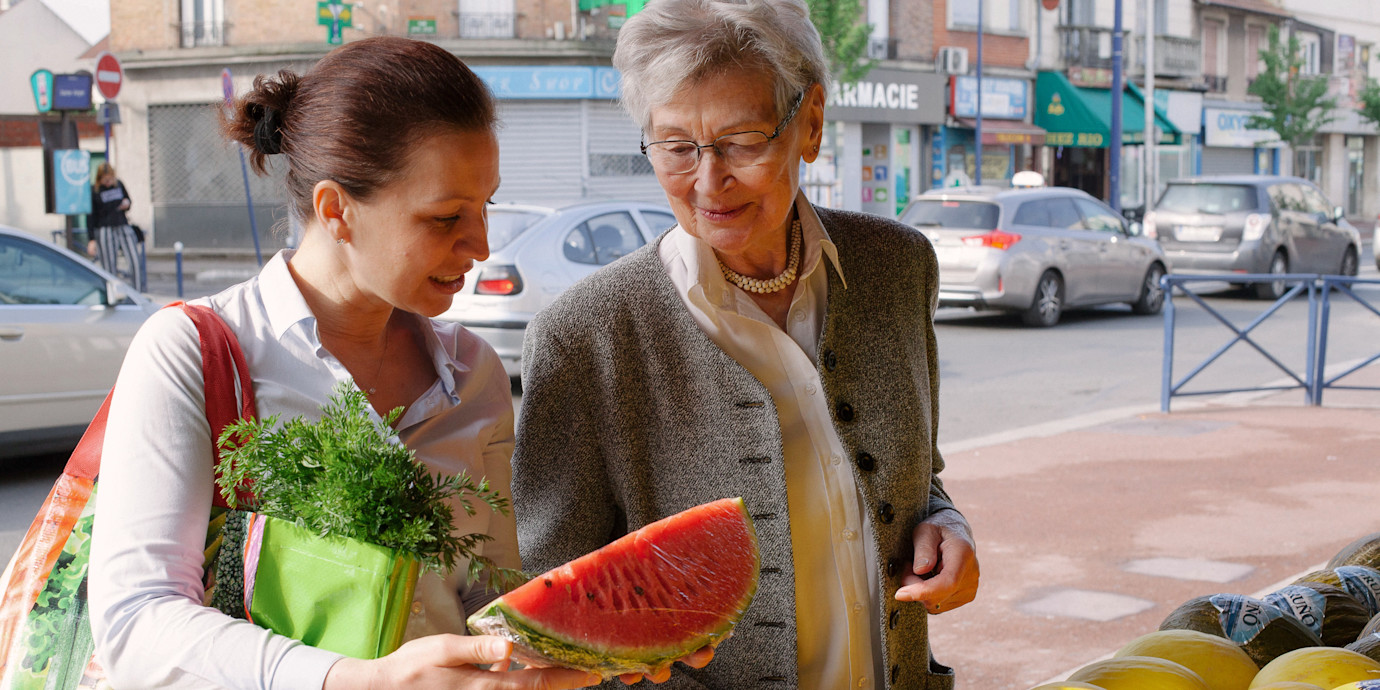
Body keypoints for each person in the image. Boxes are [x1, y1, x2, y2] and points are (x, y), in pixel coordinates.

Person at [88, 37, 601, 690]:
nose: (481, 244)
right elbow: (136, 620)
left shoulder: (474, 373)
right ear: (336, 210)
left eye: (485, 205)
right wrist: (351, 678)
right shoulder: (194, 352)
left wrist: (594, 646)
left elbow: (488, 603)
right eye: (446, 216)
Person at [510, 1, 980, 688]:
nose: (707, 180)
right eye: (676, 147)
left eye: (741, 141)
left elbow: (921, 481)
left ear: (811, 123)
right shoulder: (587, 336)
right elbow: (558, 616)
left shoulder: (898, 268)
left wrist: (949, 527)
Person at [88, 162, 144, 289]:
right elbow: (91, 216)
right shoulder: (95, 190)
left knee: (134, 260)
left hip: (122, 225)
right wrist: (91, 239)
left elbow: (128, 201)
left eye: (110, 179)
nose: (108, 183)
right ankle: (112, 293)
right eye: (105, 180)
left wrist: (127, 204)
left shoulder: (119, 185)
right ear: (99, 178)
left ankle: (138, 291)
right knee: (109, 265)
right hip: (104, 228)